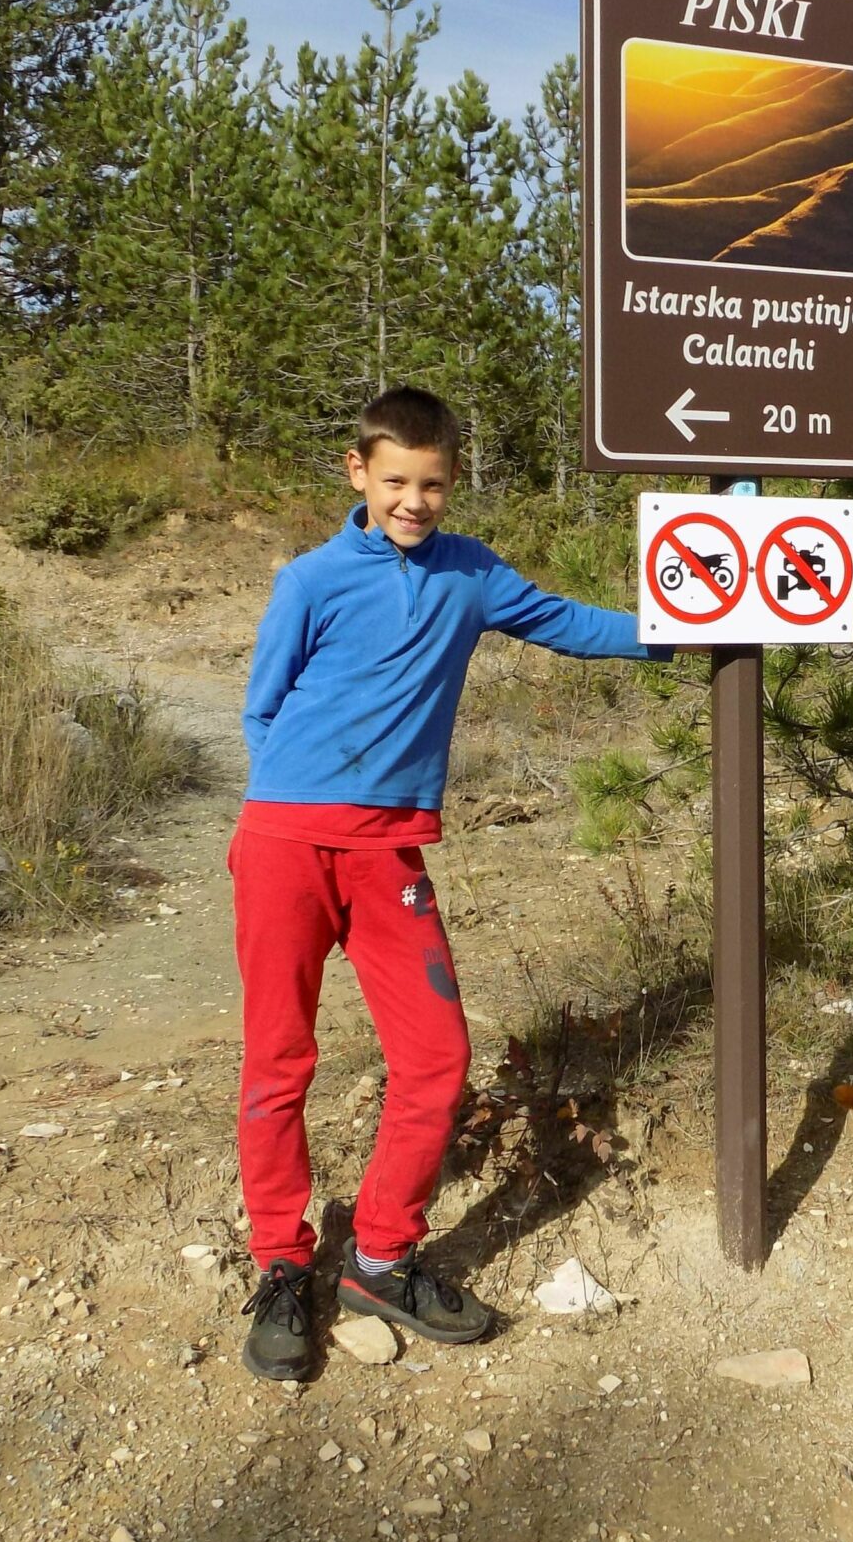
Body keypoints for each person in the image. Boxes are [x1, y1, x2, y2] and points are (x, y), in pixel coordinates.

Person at [231, 386, 664, 1383]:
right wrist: (296, 809)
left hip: (391, 855)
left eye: (431, 484)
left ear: (452, 481)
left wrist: (690, 628)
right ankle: (283, 1263)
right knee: (278, 1060)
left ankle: (380, 1258)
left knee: (435, 1056)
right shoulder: (308, 580)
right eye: (395, 482)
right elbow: (262, 710)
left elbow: (566, 621)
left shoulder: (471, 575)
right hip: (287, 844)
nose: (413, 501)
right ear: (358, 473)